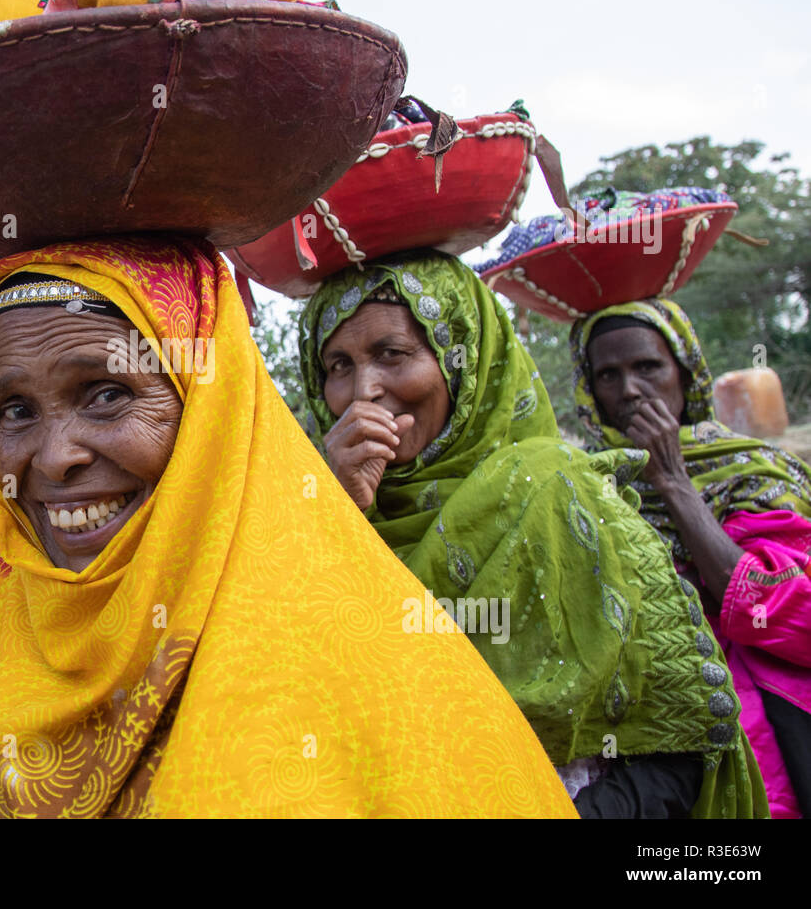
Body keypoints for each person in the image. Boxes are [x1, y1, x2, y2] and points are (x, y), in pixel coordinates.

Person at [0, 236, 576, 818]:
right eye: (14, 409)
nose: (53, 455)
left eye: (107, 393)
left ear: (212, 408)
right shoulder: (0, 650)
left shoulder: (347, 657)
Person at [298, 250, 767, 818]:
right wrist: (333, 514)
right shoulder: (314, 513)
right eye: (338, 366)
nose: (363, 391)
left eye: (392, 354)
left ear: (464, 364)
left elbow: (675, 744)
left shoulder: (553, 490)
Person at [572, 298, 811, 818]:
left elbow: (795, 616)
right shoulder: (582, 491)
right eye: (608, 375)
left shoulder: (754, 472)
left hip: (786, 742)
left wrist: (674, 484)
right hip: (664, 767)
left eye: (647, 367)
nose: (630, 390)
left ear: (685, 372)